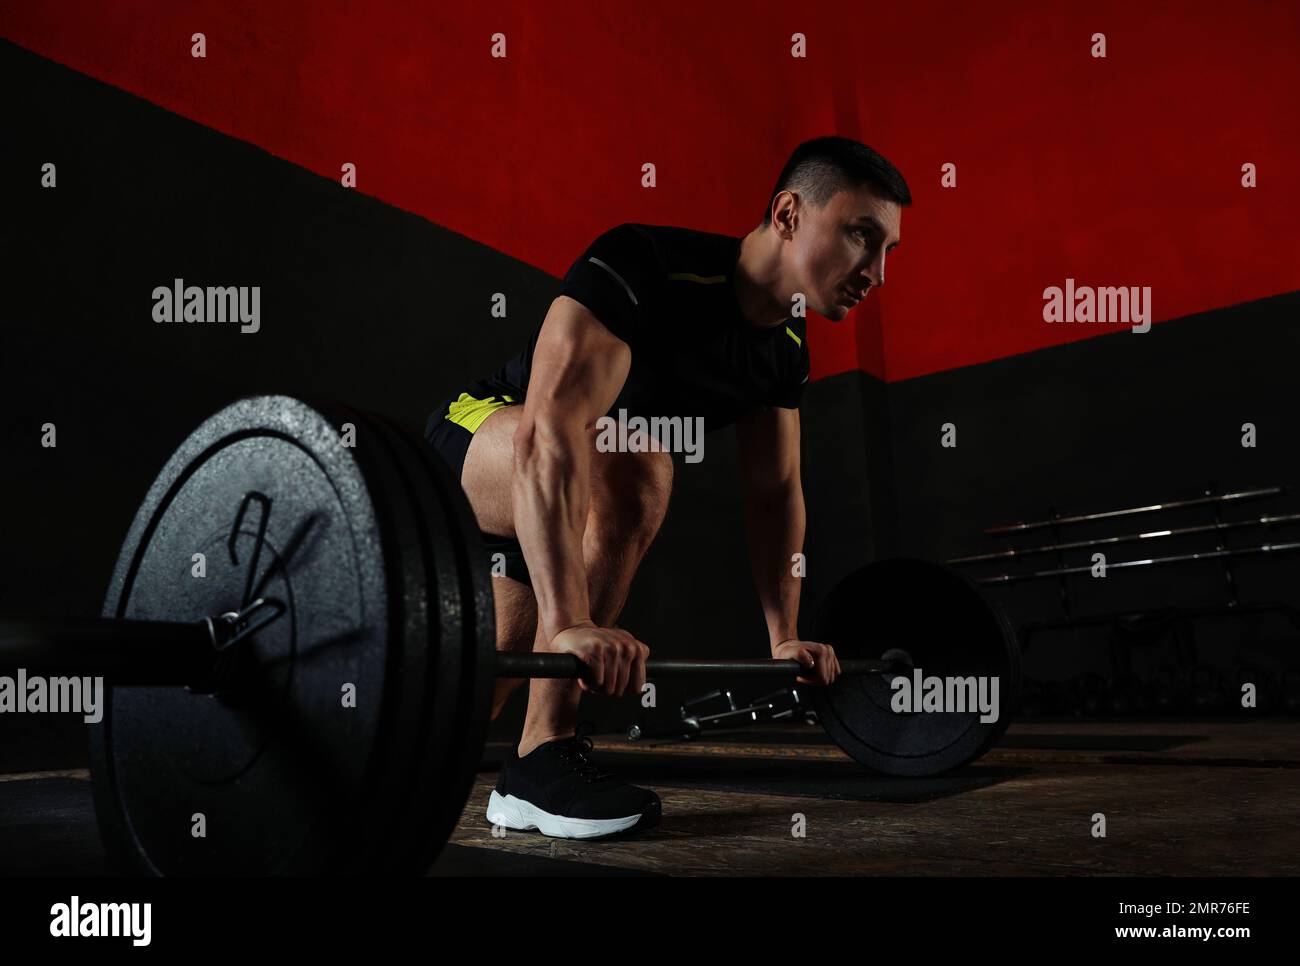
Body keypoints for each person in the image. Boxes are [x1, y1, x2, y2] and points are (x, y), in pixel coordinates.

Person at [424, 135, 910, 839]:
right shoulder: (642, 265)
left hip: (561, 504)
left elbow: (775, 495)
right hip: (486, 439)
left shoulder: (784, 350)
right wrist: (570, 623)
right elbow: (548, 431)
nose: (877, 270)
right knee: (637, 466)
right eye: (861, 235)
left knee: (444, 735)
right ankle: (544, 754)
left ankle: (482, 777)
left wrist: (784, 638)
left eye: (889, 250)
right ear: (788, 215)